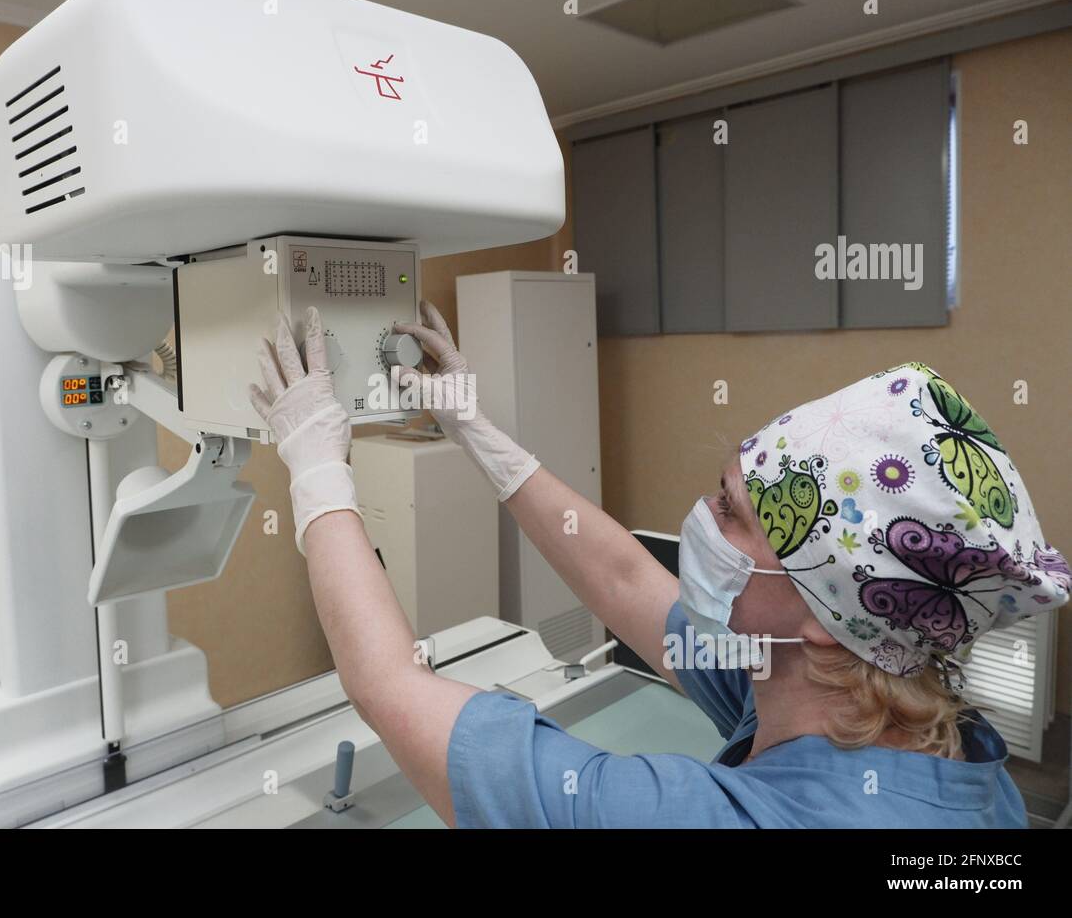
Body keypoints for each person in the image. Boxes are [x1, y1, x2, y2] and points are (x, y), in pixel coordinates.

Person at [249, 302, 1070, 828]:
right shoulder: (852, 699)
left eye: (728, 511)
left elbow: (393, 688)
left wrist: (318, 473)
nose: (701, 520)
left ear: (825, 617)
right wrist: (474, 427)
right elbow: (626, 582)